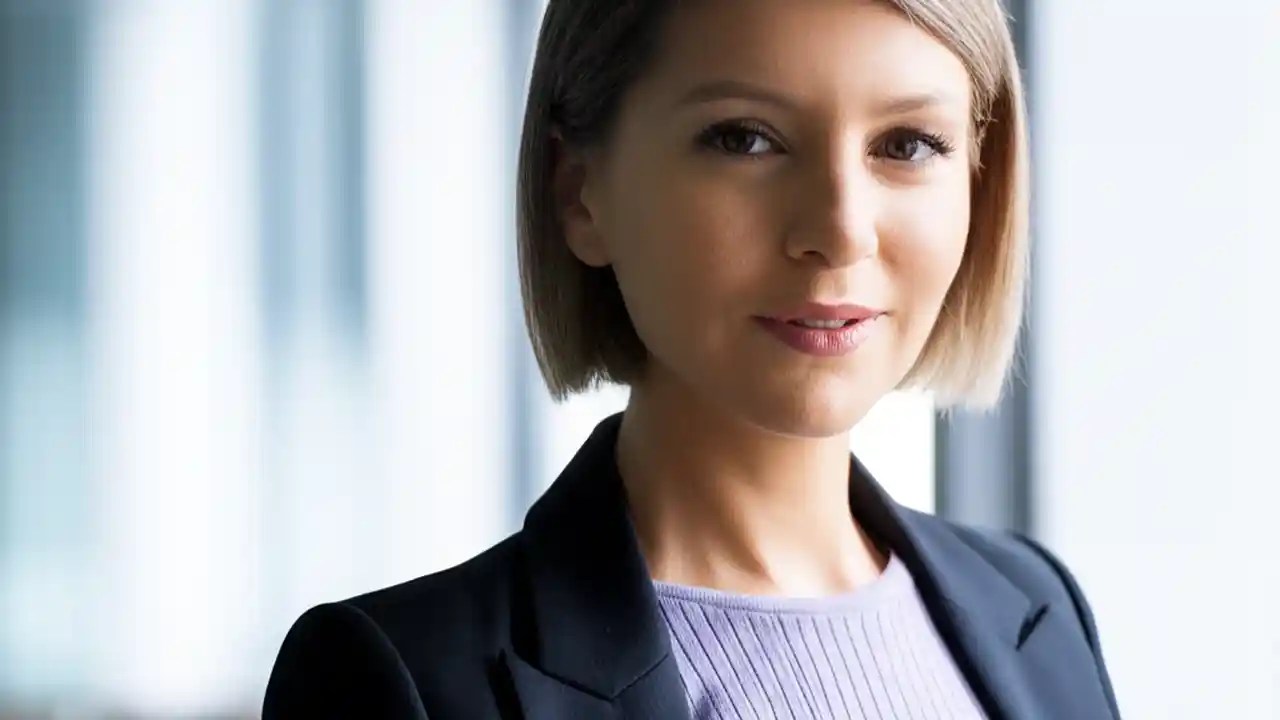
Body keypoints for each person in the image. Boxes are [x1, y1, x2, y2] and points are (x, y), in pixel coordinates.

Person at [263, 0, 1121, 717]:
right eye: (745, 138)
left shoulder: (1038, 608)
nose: (839, 232)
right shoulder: (400, 682)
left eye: (907, 145)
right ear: (578, 192)